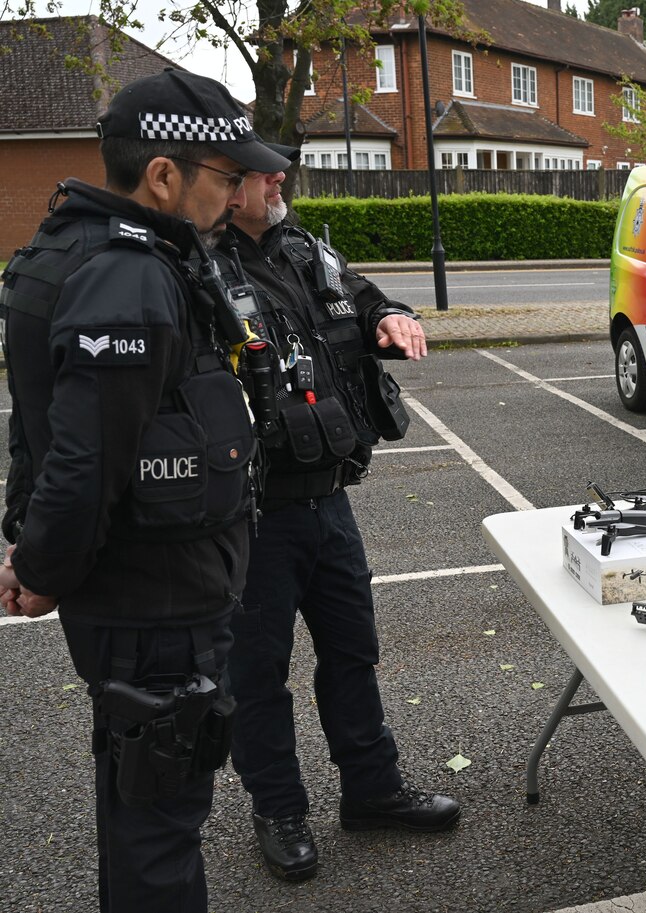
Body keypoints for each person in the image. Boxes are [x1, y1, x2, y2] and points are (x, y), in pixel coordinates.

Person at [0, 69, 291, 911]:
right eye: (227, 176)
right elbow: (83, 462)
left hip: (151, 602)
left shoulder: (107, 252)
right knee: (158, 832)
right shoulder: (125, 276)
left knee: (147, 812)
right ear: (163, 175)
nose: (236, 194)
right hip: (154, 611)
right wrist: (42, 569)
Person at [212, 151, 459, 883]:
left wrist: (393, 318)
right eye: (263, 174)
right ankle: (279, 810)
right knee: (258, 673)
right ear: (226, 186)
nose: (278, 180)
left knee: (352, 651)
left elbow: (366, 300)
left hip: (329, 499)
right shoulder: (199, 266)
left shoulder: (302, 249)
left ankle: (372, 791)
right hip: (253, 514)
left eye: (278, 171)